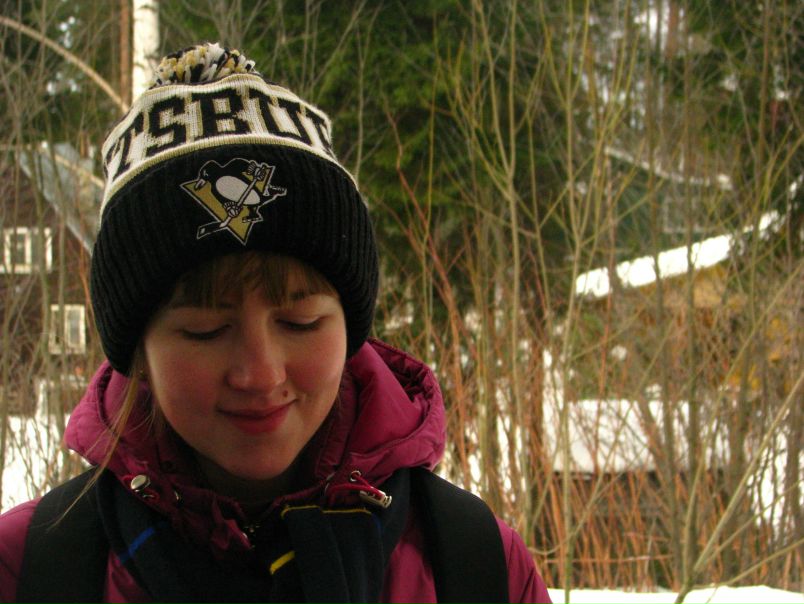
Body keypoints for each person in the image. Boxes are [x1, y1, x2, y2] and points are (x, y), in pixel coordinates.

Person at [0, 43, 552, 603]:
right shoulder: (28, 571)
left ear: (349, 326)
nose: (261, 375)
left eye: (301, 322)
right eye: (205, 331)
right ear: (138, 349)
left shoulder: (476, 566)